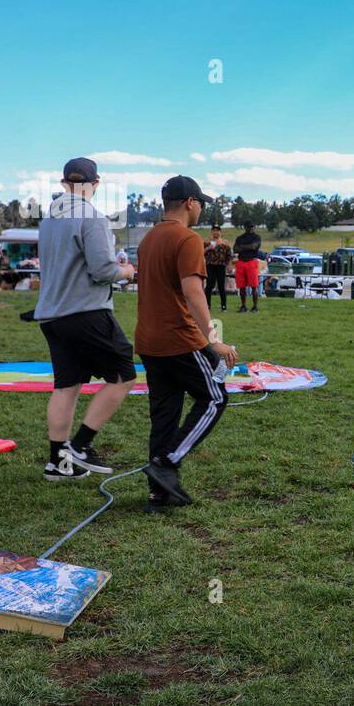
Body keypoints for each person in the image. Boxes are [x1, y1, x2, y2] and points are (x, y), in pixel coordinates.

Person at [135, 176, 239, 513]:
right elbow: (194, 293)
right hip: (179, 339)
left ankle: (157, 495)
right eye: (201, 203)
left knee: (164, 415)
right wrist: (215, 341)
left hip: (149, 341)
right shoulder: (188, 239)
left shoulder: (149, 238)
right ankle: (166, 462)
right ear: (191, 203)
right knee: (214, 398)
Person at [35, 157, 138, 481]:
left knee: (66, 386)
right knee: (123, 376)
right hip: (85, 312)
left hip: (52, 315)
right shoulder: (92, 217)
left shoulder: (49, 218)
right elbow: (103, 270)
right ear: (96, 184)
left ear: (64, 182)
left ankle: (59, 463)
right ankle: (80, 446)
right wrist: (128, 271)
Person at [232, 222, 262, 313]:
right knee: (241, 286)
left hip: (251, 261)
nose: (251, 228)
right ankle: (243, 306)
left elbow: (254, 246)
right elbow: (235, 249)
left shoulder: (257, 237)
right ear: (245, 227)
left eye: (252, 226)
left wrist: (242, 247)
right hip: (241, 262)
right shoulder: (240, 237)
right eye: (249, 227)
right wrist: (248, 247)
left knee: (254, 286)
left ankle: (255, 307)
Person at [203, 225, 231, 312]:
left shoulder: (225, 242)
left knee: (221, 286)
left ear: (220, 232)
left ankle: (224, 306)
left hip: (221, 265)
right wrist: (208, 248)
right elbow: (200, 252)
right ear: (211, 231)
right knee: (209, 285)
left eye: (218, 230)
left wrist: (229, 265)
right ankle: (207, 306)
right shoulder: (207, 241)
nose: (216, 232)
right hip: (210, 265)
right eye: (214, 230)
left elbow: (229, 255)